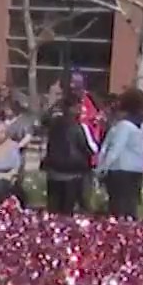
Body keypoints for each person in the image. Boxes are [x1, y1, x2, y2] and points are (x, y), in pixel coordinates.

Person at [39, 86, 98, 215]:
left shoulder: (53, 123)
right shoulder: (80, 127)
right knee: (67, 209)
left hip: (54, 170)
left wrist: (55, 105)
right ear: (75, 108)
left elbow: (43, 120)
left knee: (53, 208)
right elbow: (88, 148)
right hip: (73, 172)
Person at [95, 89, 143, 220]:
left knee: (118, 206)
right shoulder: (142, 126)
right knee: (130, 206)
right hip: (136, 169)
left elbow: (115, 149)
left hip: (120, 169)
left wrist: (102, 168)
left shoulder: (124, 126)